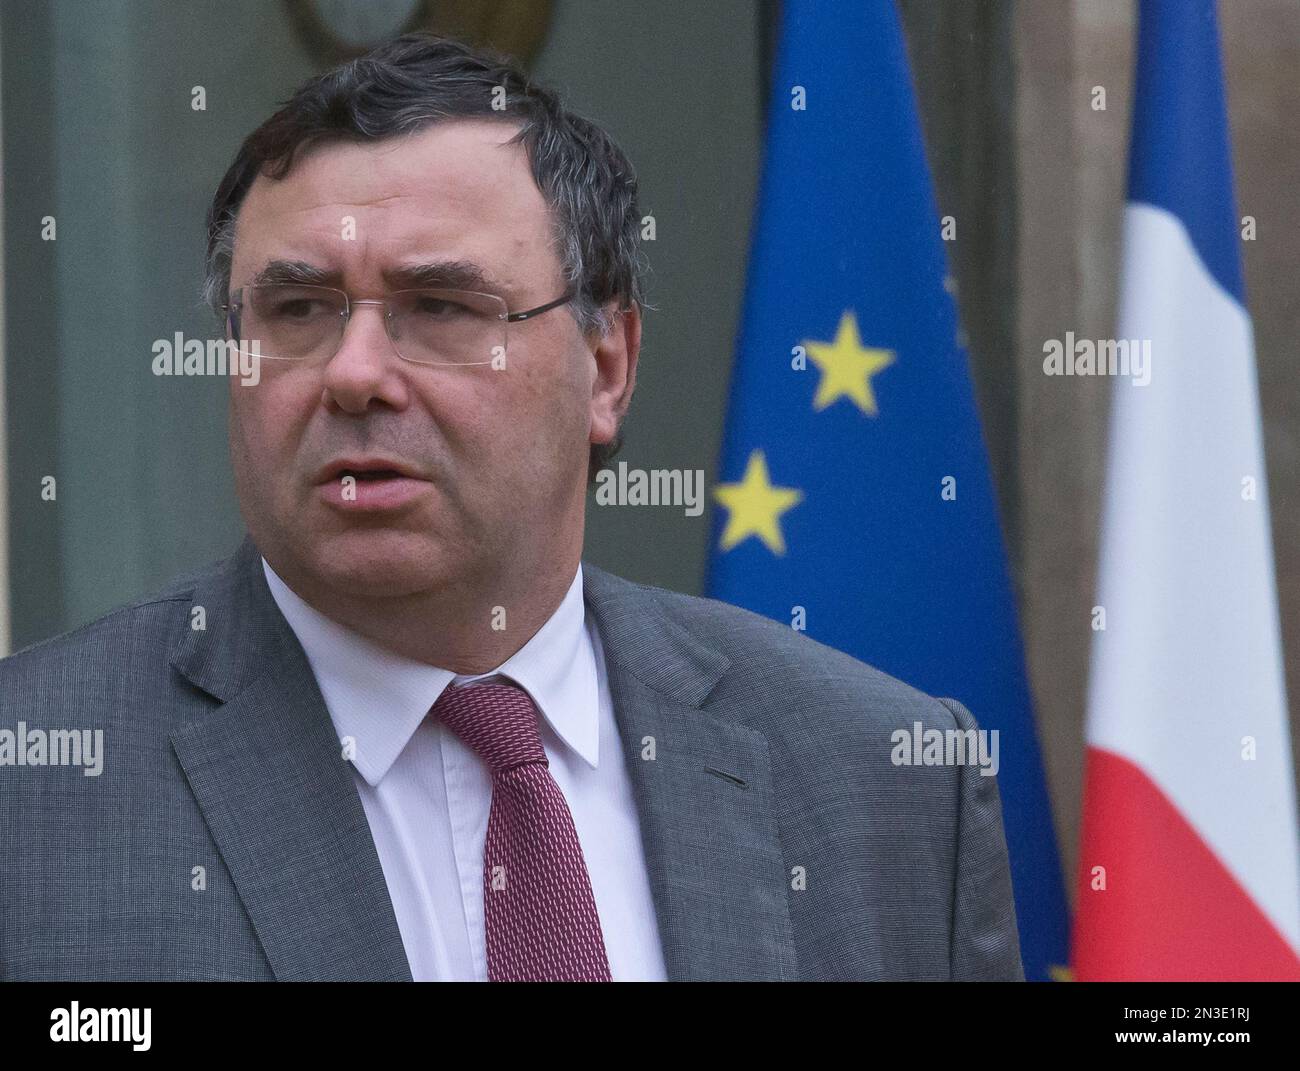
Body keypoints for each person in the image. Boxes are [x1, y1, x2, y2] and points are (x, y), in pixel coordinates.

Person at [0, 33, 1022, 981]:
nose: (354, 374)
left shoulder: (883, 782)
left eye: (440, 307)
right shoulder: (36, 785)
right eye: (298, 309)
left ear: (607, 366)